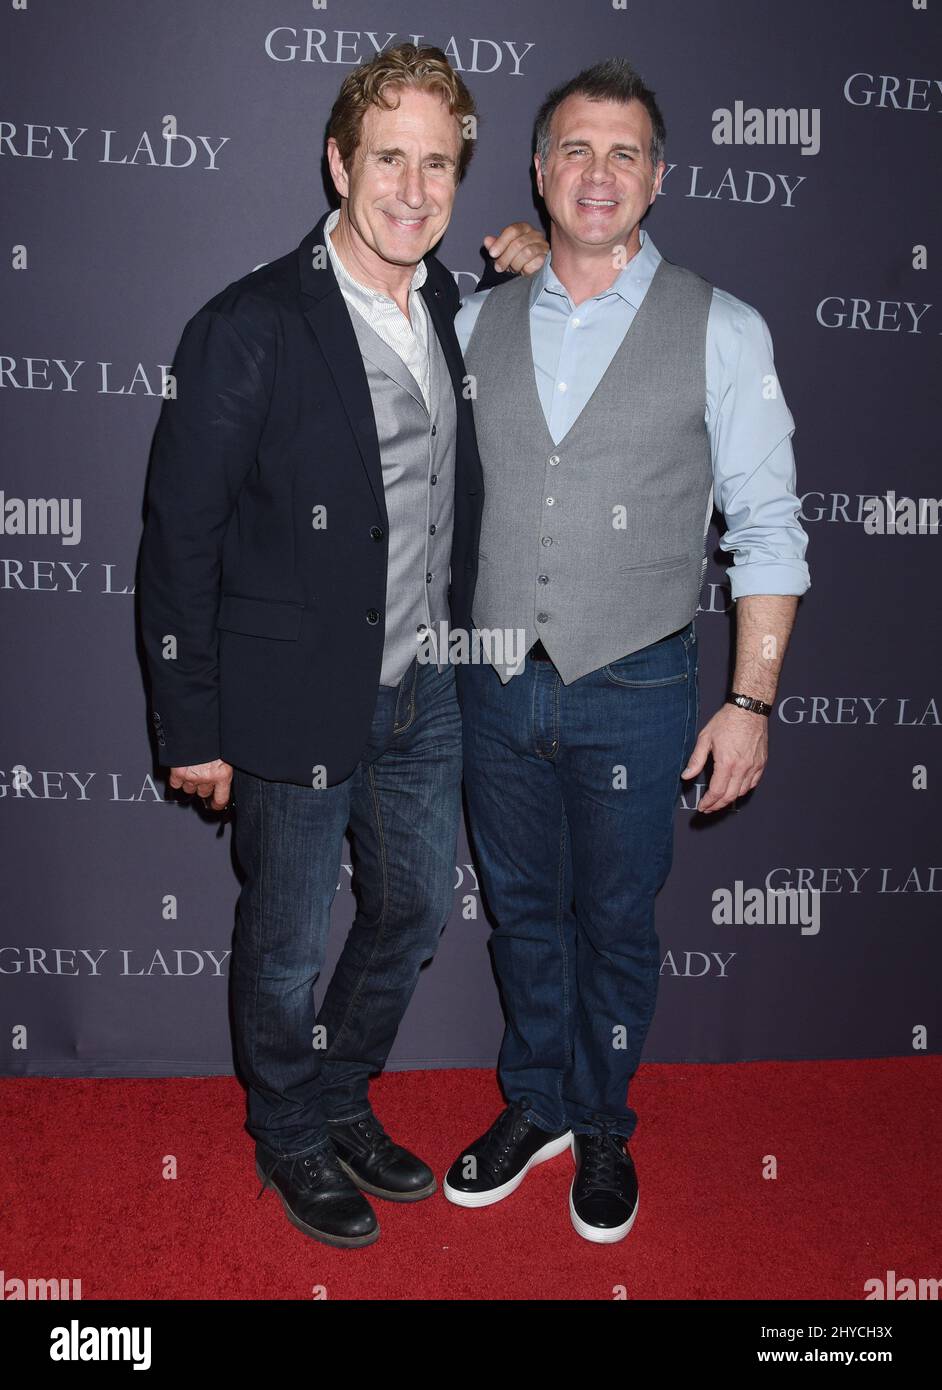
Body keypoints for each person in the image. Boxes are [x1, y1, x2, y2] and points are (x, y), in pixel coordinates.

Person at [139, 43, 545, 1249]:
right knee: (281, 942)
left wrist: (530, 263)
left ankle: (336, 1092)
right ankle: (287, 1134)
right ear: (337, 161)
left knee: (415, 909)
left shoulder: (448, 307)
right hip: (285, 699)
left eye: (437, 166)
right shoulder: (249, 324)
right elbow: (178, 540)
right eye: (389, 160)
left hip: (425, 690)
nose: (413, 190)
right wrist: (194, 725)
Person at [443, 58, 811, 1243]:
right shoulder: (471, 319)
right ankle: (536, 1103)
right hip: (496, 679)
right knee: (521, 911)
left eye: (624, 153)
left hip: (642, 683)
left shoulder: (724, 327)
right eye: (574, 151)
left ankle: (601, 1122)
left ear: (660, 175)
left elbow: (766, 527)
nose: (598, 174)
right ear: (540, 171)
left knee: (616, 918)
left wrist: (750, 700)